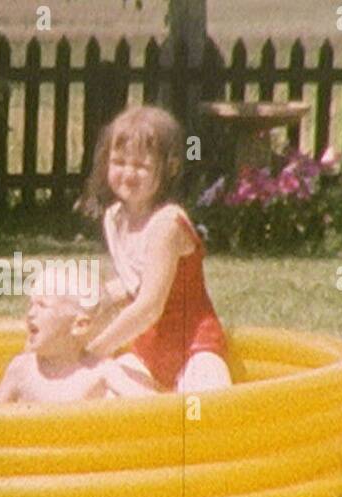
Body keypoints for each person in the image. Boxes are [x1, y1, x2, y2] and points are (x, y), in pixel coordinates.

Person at [78, 106, 232, 393]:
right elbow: (131, 285)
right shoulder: (114, 218)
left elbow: (149, 306)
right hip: (149, 349)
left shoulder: (167, 224)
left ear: (171, 168)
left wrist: (94, 351)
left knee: (207, 411)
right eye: (119, 162)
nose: (127, 173)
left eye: (141, 166)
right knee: (98, 395)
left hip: (194, 347)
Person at [0, 286, 158, 403]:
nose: (30, 313)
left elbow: (153, 407)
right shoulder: (21, 369)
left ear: (79, 325)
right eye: (31, 305)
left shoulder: (99, 371)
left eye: (42, 305)